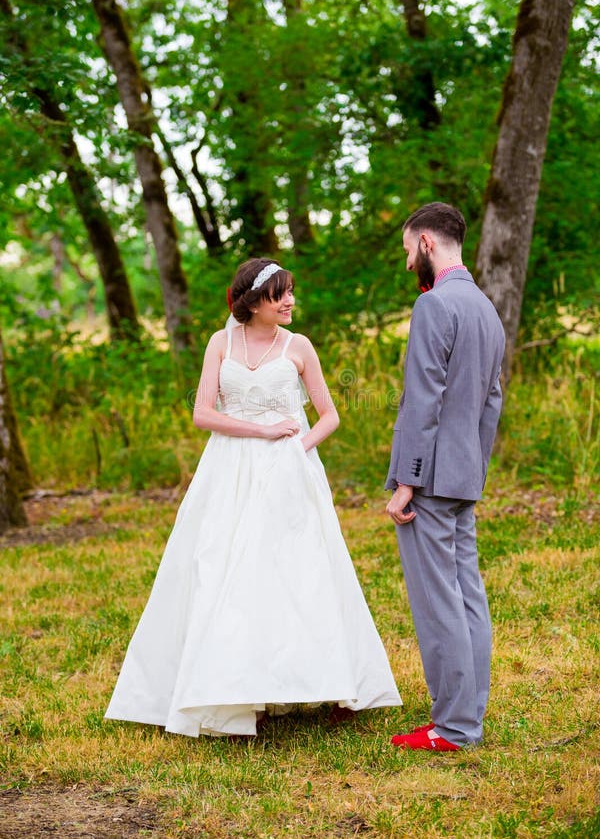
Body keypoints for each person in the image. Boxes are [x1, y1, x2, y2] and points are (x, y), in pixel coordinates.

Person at [106, 258, 401, 737]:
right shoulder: (220, 343)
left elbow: (329, 416)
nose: (290, 302)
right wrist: (259, 432)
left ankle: (336, 682)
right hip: (229, 469)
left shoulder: (299, 346)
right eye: (280, 294)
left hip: (288, 473)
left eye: (291, 293)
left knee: (301, 571)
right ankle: (244, 689)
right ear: (253, 301)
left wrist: (295, 452)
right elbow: (203, 413)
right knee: (226, 570)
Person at [385, 202, 505, 752]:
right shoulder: (486, 308)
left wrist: (407, 480)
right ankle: (467, 716)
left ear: (428, 243)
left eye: (409, 250)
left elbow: (422, 401)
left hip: (429, 481)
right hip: (463, 476)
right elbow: (491, 402)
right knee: (467, 595)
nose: (408, 262)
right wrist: (472, 469)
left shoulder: (435, 307)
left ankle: (454, 728)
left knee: (438, 601)